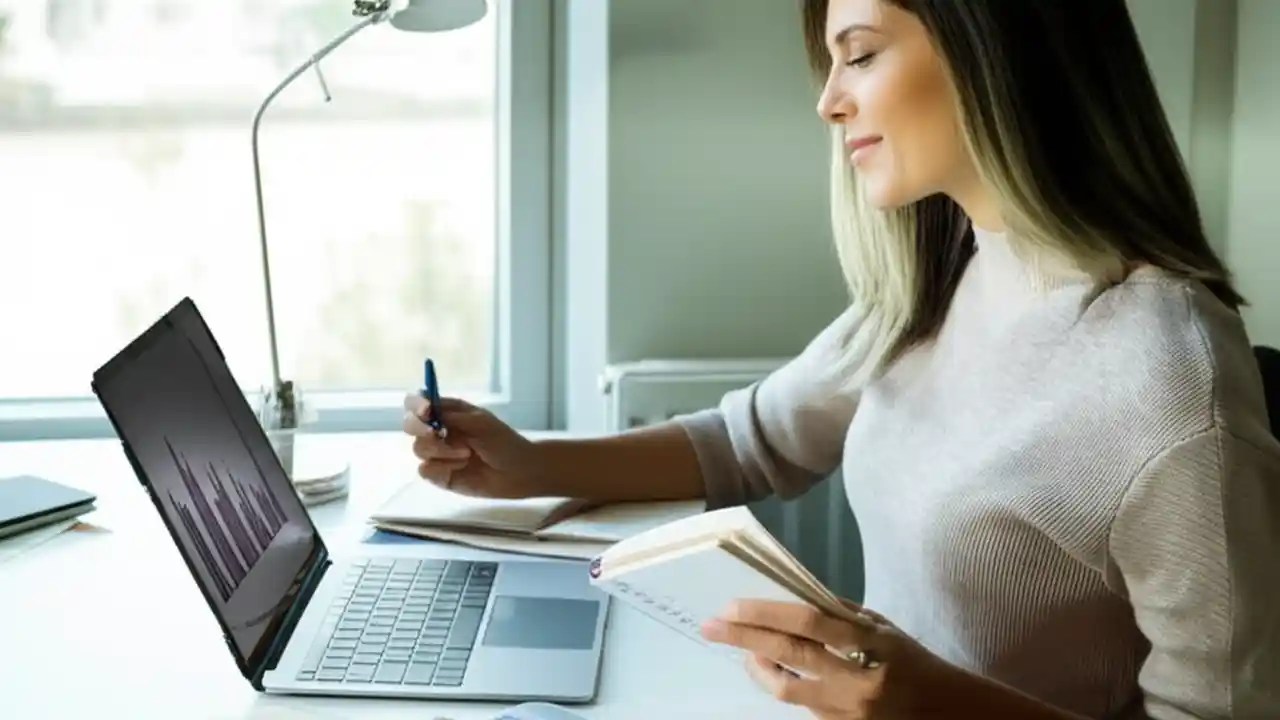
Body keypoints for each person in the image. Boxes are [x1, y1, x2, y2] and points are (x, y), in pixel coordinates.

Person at [403, 0, 1280, 717]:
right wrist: (529, 466)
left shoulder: (1171, 384)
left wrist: (934, 705)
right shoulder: (952, 269)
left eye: (858, 55)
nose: (827, 101)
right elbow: (752, 441)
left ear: (994, 50)